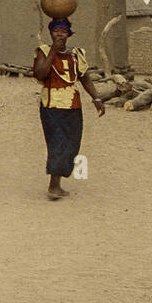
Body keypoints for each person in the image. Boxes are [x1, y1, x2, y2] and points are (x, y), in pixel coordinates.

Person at [31, 18, 105, 200]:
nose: (59, 34)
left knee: (72, 144)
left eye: (63, 31)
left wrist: (96, 97)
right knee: (56, 143)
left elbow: (85, 78)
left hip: (73, 105)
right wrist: (53, 53)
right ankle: (53, 186)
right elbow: (40, 74)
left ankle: (57, 183)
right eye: (56, 31)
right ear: (51, 33)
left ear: (68, 35)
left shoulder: (76, 54)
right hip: (51, 105)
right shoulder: (43, 52)